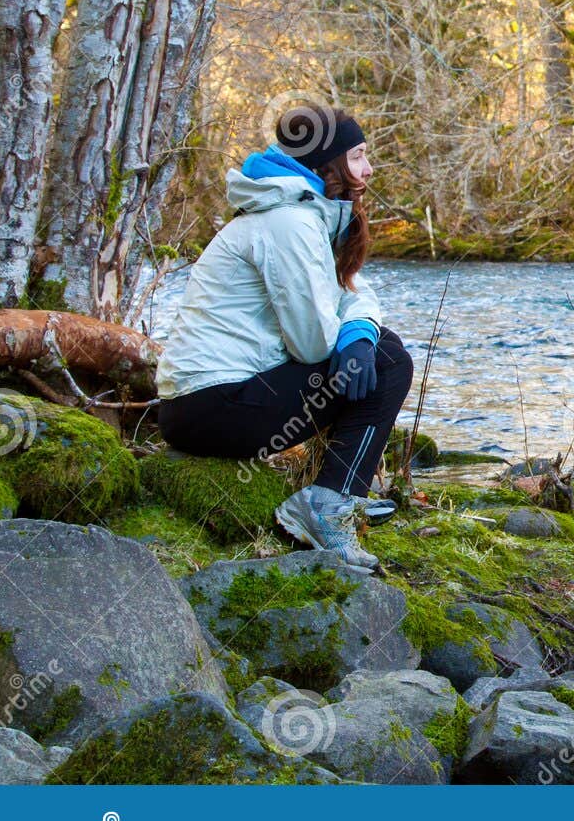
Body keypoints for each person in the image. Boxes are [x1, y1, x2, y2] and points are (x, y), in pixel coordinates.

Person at [155, 103, 413, 572]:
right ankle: (327, 505)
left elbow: (350, 290)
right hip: (212, 405)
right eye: (357, 156)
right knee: (390, 359)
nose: (368, 168)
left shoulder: (296, 212)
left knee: (378, 346)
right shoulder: (289, 223)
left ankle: (335, 494)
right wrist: (357, 340)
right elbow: (312, 345)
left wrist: (357, 331)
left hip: (205, 402)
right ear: (326, 166)